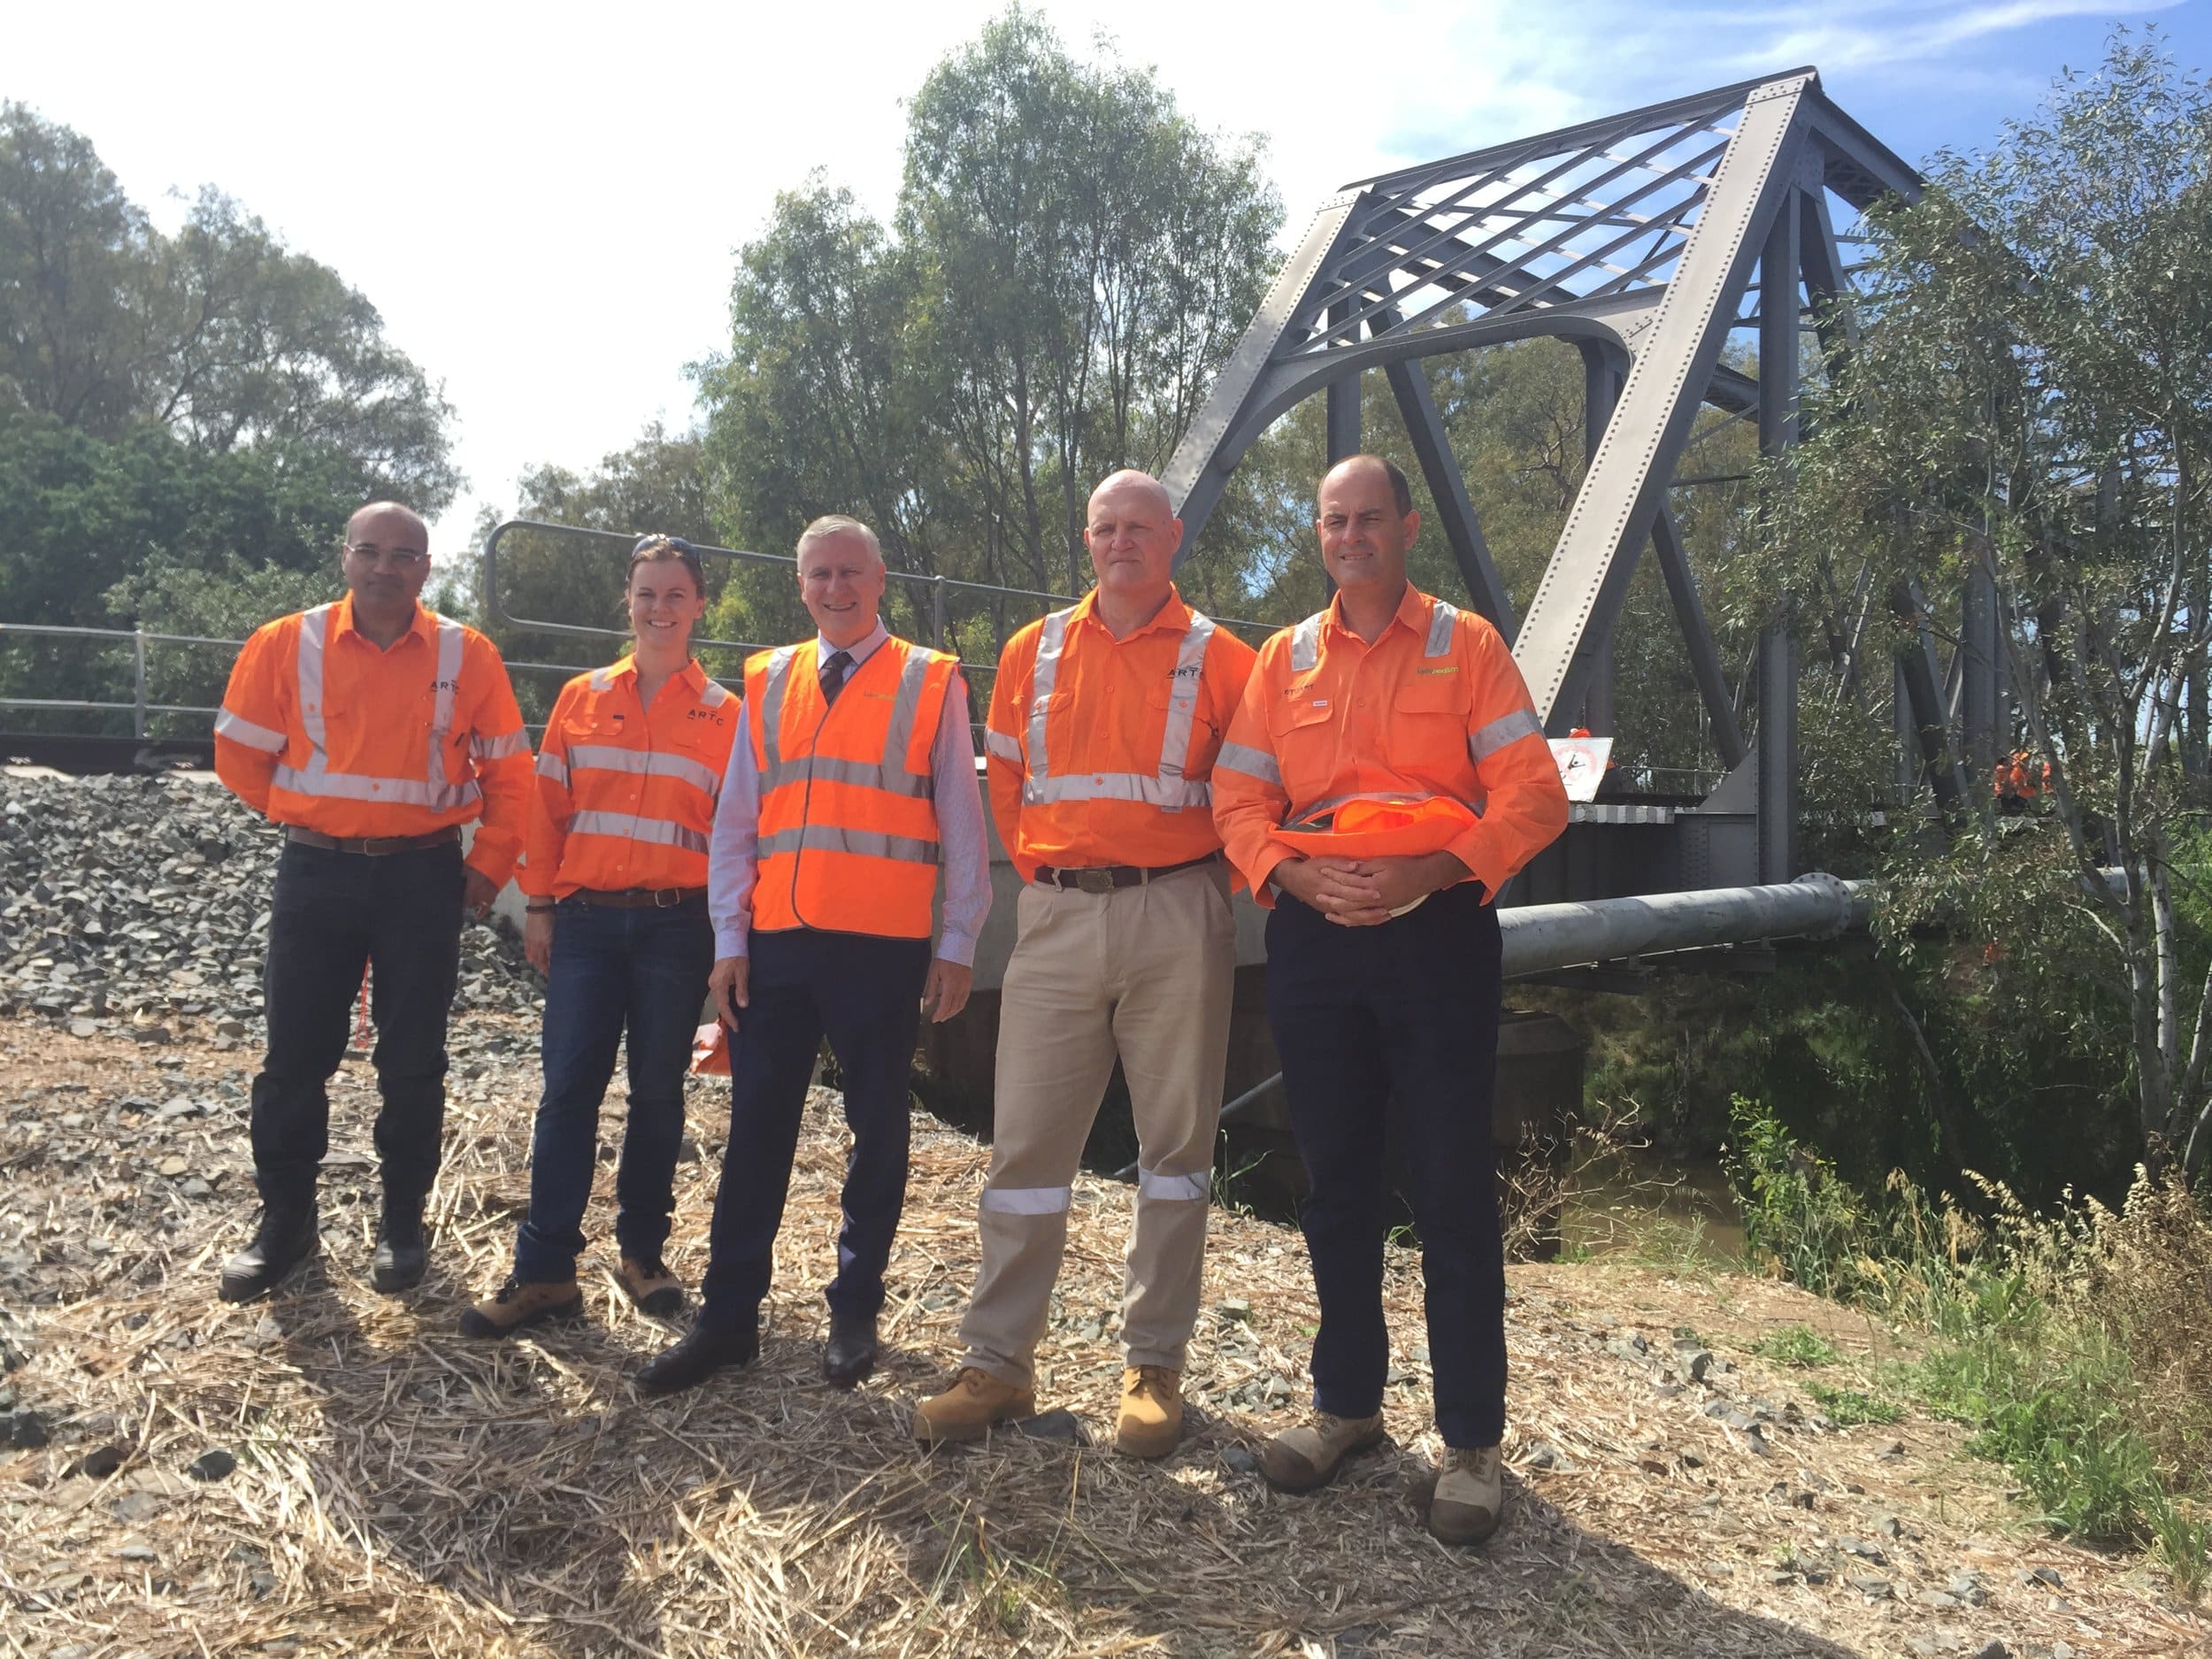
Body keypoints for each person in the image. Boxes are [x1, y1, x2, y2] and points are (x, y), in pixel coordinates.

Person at [1211, 456, 1569, 1546]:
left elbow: (1534, 795)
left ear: (1408, 528)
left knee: (1453, 1186)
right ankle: (1347, 1408)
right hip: (1316, 938)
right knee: (1335, 1187)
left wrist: (1435, 870)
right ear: (1319, 536)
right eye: (1334, 519)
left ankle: (1470, 1444)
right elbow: (1236, 794)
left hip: (1437, 936)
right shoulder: (1286, 657)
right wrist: (1286, 873)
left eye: (1371, 517)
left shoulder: (1466, 647)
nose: (1352, 534)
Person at [913, 471, 1257, 1457]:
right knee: (1024, 1152)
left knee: (1175, 1153)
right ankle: (996, 1364)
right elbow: (1009, 779)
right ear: (1087, 538)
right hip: (1058, 917)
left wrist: (1198, 887)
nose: (1120, 543)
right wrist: (1052, 878)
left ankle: (1153, 1366)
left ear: (1173, 538)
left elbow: (1250, 791)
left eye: (1138, 528)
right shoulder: (1035, 649)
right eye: (1105, 528)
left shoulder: (1221, 658)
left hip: (1179, 912)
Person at [636, 515, 991, 1394]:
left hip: (881, 944)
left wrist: (959, 941)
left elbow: (962, 821)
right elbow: (736, 821)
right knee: (757, 1127)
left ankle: (853, 1304)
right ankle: (728, 1319)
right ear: (800, 585)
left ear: (880, 582)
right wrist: (728, 938)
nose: (835, 588)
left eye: (851, 574)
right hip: (778, 943)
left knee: (878, 1129)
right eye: (819, 575)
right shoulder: (770, 677)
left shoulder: (928, 678)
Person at [211, 501, 531, 1302]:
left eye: (405, 554)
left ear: (427, 567)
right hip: (316, 874)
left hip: (423, 878)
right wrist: (316, 818)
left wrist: (488, 868)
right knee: (293, 1060)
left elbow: (511, 779)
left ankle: (402, 1222)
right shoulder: (286, 643)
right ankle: (285, 1225)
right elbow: (238, 757)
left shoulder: (469, 655)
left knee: (413, 1060)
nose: (386, 566)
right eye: (371, 550)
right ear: (344, 555)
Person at [461, 535, 738, 1338]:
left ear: (699, 605)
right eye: (647, 592)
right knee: (568, 1094)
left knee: (658, 1092)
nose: (660, 608)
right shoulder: (581, 699)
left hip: (675, 927)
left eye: (676, 594)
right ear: (629, 600)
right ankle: (545, 1269)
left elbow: (734, 839)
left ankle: (641, 1252)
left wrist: (729, 942)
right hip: (583, 924)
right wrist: (539, 906)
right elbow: (547, 813)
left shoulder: (727, 717)